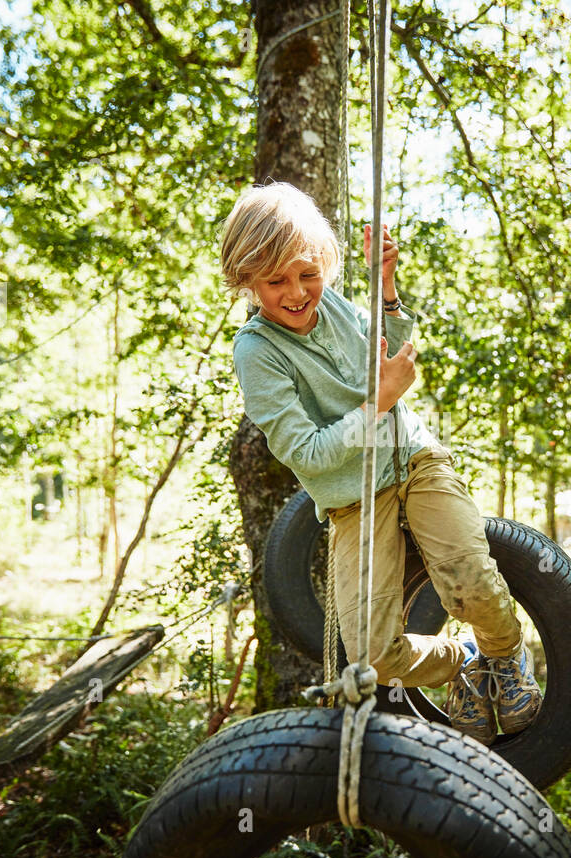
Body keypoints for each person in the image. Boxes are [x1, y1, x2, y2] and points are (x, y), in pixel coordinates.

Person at [223, 180, 540, 745]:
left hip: (413, 460)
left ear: (322, 264)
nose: (297, 293)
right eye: (276, 281)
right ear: (247, 279)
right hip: (352, 497)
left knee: (469, 585)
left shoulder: (338, 307)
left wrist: (387, 289)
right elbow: (309, 454)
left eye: (308, 273)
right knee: (373, 657)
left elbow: (388, 346)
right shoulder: (257, 352)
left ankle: (506, 656)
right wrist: (378, 405)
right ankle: (465, 661)